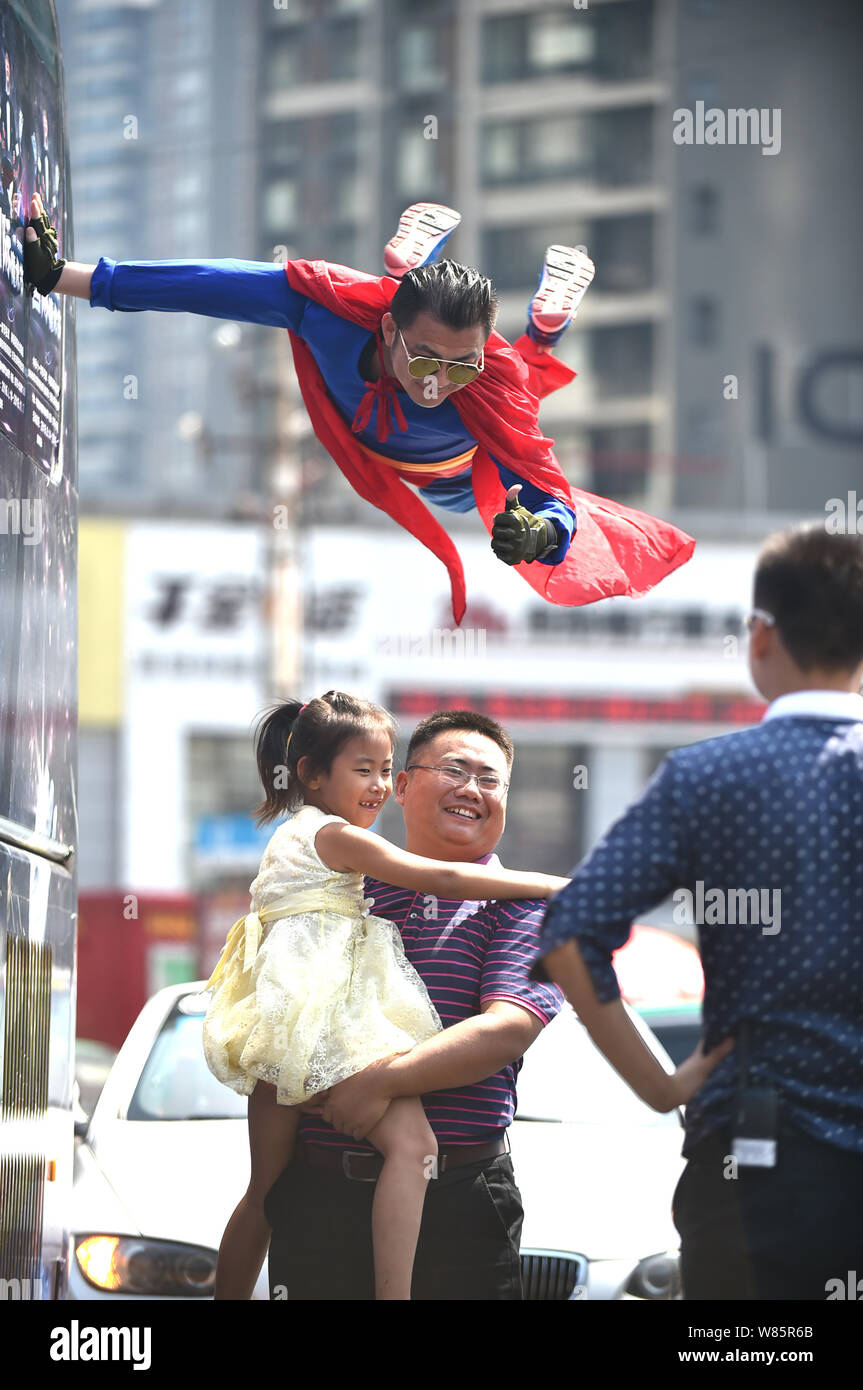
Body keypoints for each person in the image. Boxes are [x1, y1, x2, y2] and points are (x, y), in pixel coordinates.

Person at [22, 193, 694, 622]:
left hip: (463, 476)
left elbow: (545, 484)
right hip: (387, 421)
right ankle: (414, 272)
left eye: (461, 364)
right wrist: (68, 278)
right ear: (385, 330)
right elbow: (208, 285)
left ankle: (538, 319)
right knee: (502, 371)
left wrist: (545, 534)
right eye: (426, 360)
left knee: (523, 384)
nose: (438, 384)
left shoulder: (487, 381)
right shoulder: (329, 306)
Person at [531, 523, 863, 1300]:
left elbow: (571, 933)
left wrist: (660, 1087)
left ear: (759, 637)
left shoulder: (707, 777)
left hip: (756, 1158)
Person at [201, 690, 567, 1301]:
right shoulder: (353, 888)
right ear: (403, 786)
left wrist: (378, 1083)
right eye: (453, 770)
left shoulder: (525, 907)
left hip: (459, 1203)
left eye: (490, 779)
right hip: (320, 1199)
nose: (471, 789)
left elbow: (506, 1028)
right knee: (264, 1193)